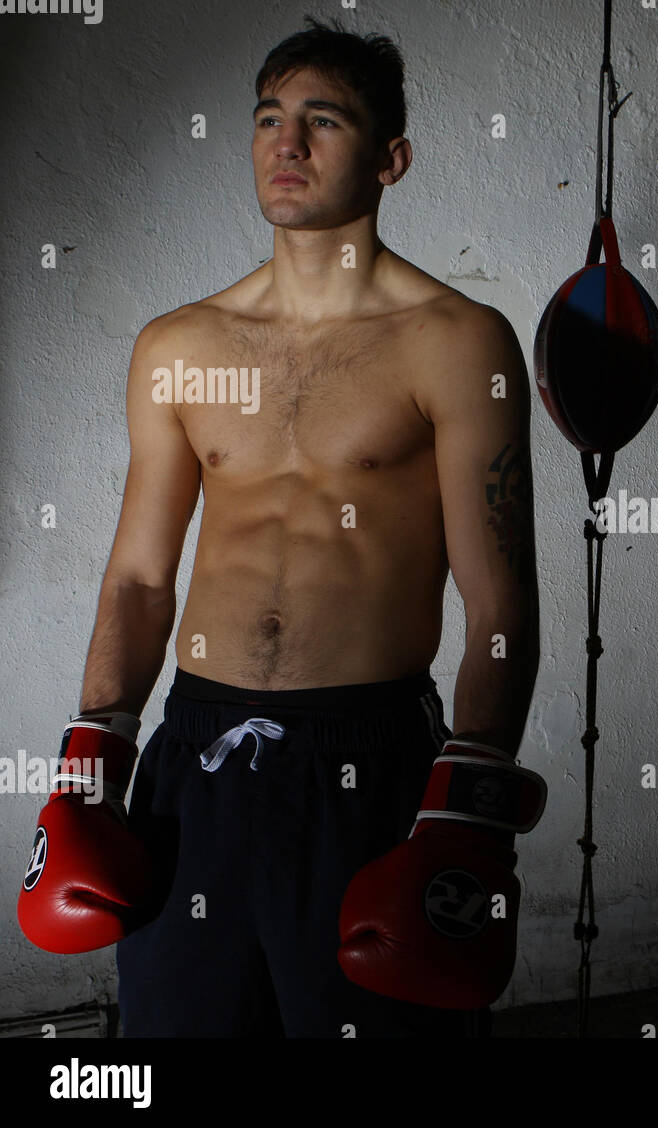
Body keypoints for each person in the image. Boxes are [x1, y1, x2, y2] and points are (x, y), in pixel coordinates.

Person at [17, 17, 543, 1038]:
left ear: (390, 158)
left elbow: (500, 601)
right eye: (268, 119)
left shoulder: (454, 342)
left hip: (368, 761)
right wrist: (92, 765)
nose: (285, 144)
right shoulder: (178, 344)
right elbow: (136, 580)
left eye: (322, 120)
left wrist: (462, 814)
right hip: (194, 762)